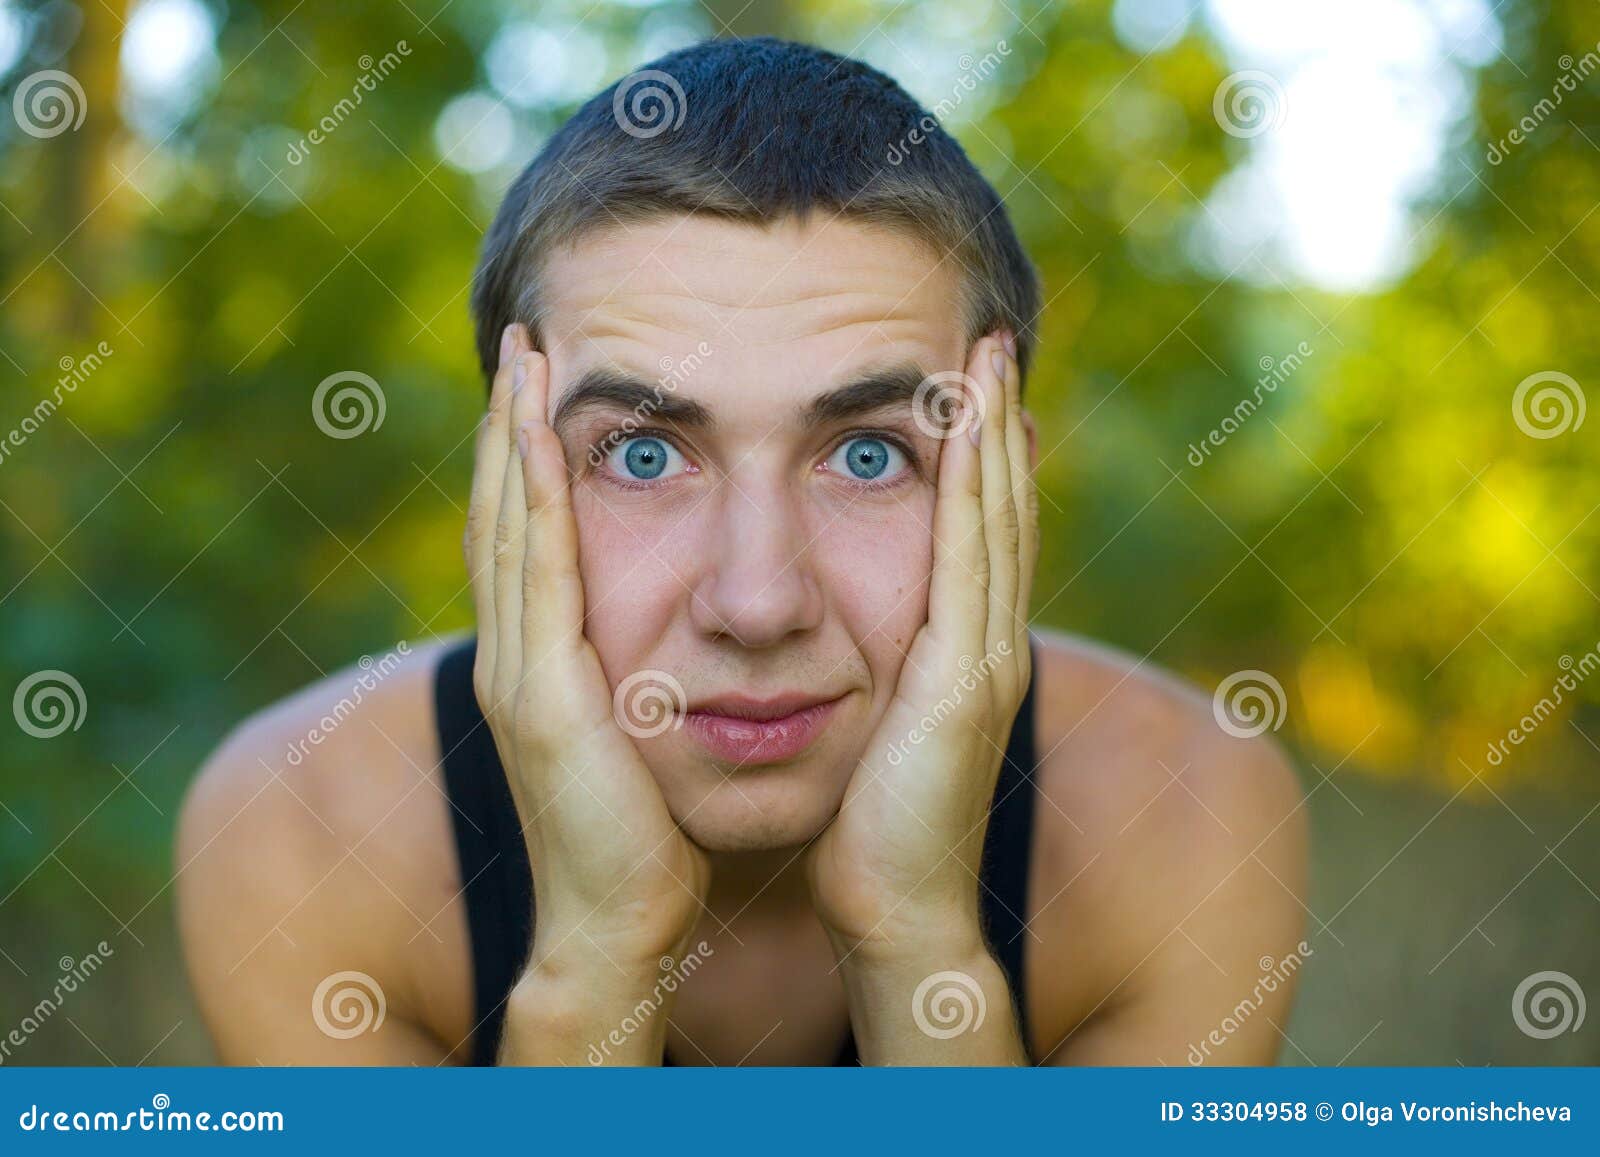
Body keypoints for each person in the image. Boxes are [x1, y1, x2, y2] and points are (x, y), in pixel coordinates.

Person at [176, 37, 1307, 1066]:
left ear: (1003, 489)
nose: (757, 600)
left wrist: (917, 947)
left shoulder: (1186, 814)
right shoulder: (298, 832)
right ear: (504, 489)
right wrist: (594, 962)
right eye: (642, 454)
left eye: (868, 454)